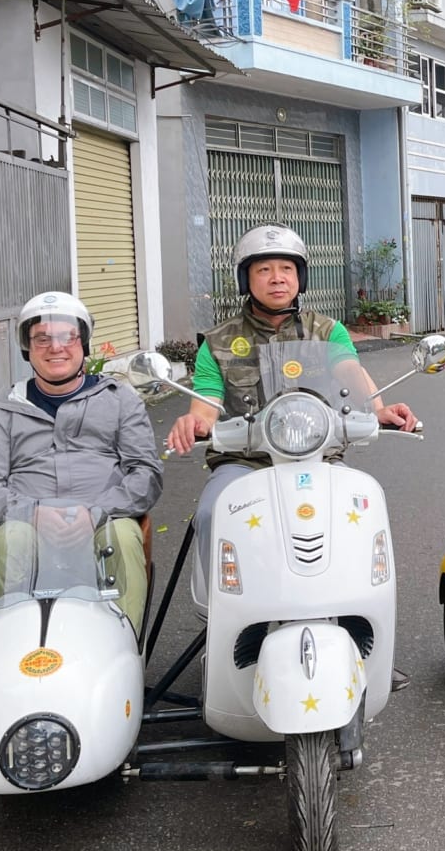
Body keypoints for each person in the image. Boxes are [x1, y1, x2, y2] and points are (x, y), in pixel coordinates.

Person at [164, 223, 418, 687]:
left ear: (300, 277)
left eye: (286, 268)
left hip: (316, 458)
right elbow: (205, 402)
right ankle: (221, 618)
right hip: (245, 463)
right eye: (264, 269)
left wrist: (379, 408)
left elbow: (350, 373)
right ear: (247, 279)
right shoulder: (218, 341)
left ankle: (362, 640)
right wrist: (194, 423)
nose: (277, 278)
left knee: (358, 518)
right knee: (210, 512)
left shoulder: (327, 330)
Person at [0, 291, 162, 632]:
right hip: (26, 526)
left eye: (67, 337)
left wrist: (96, 513)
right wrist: (33, 514)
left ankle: (124, 652)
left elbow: (145, 475)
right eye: (41, 339)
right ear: (27, 349)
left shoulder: (120, 401)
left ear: (83, 344)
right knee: (2, 542)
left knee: (123, 537)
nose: (55, 347)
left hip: (103, 522)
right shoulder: (4, 410)